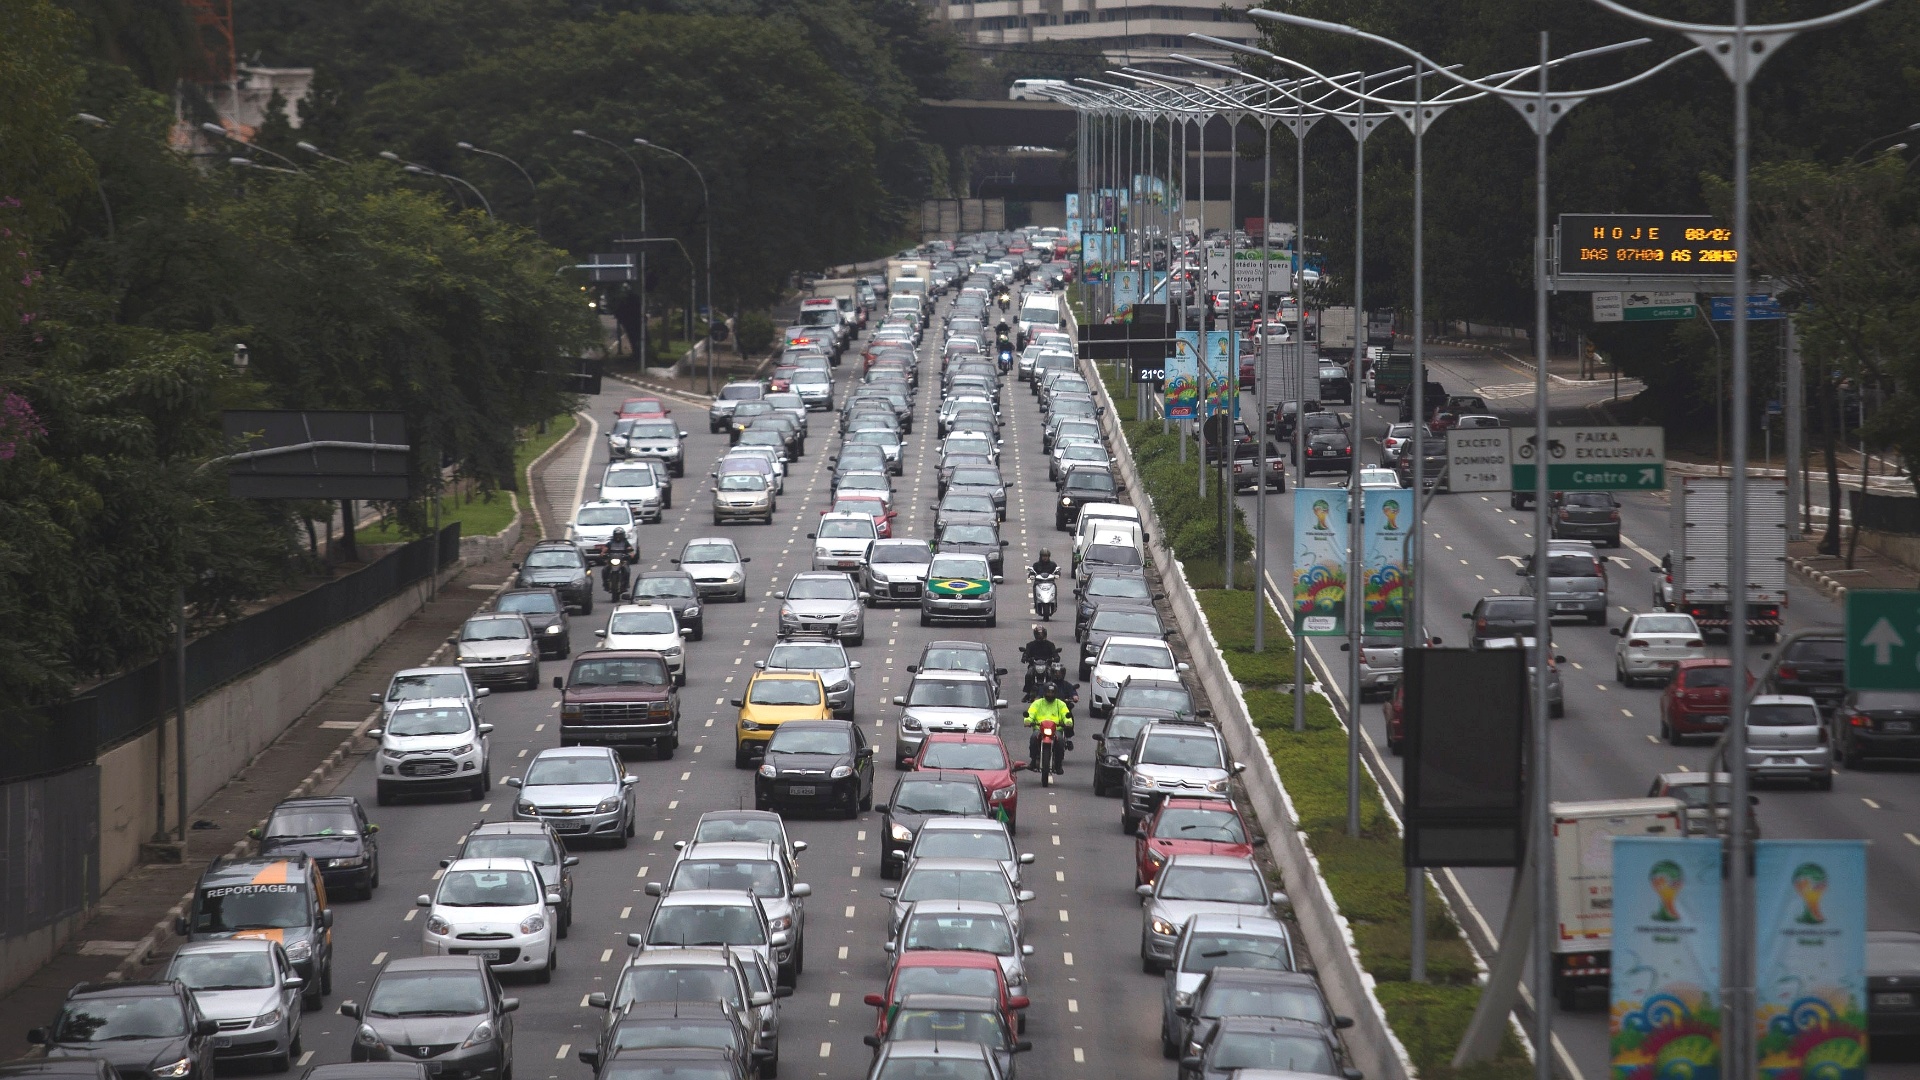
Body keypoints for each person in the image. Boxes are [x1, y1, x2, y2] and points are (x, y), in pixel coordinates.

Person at [1023, 686, 1072, 774]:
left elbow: (1066, 714)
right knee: (1033, 738)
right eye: (1048, 692)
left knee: (1060, 741)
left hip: (1056, 729)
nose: (1050, 694)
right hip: (1039, 729)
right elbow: (1030, 713)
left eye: (1052, 692)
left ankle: (1058, 764)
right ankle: (1033, 761)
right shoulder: (1037, 703)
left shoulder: (1060, 704)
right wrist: (1028, 721)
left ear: (1055, 693)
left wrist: (1068, 722)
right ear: (1044, 692)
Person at [1018, 624, 1060, 696]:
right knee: (1028, 675)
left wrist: (1056, 657)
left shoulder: (1050, 644)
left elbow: (1055, 653)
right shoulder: (1030, 645)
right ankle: (1028, 692)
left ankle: (1055, 691)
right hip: (1034, 665)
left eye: (1041, 634)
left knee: (1053, 675)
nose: (1040, 636)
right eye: (1038, 634)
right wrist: (1025, 658)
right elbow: (1026, 653)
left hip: (1046, 665)